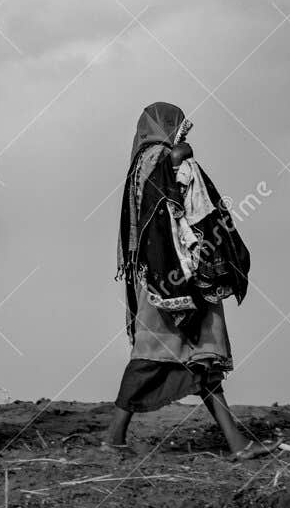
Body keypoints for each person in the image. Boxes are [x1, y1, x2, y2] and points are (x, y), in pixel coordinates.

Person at [106, 102, 270, 460]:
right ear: (167, 126)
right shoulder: (158, 159)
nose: (182, 133)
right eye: (177, 125)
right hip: (169, 279)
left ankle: (236, 443)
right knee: (150, 357)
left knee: (202, 362)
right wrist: (181, 157)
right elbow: (173, 211)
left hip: (171, 275)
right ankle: (113, 437)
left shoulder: (143, 163)